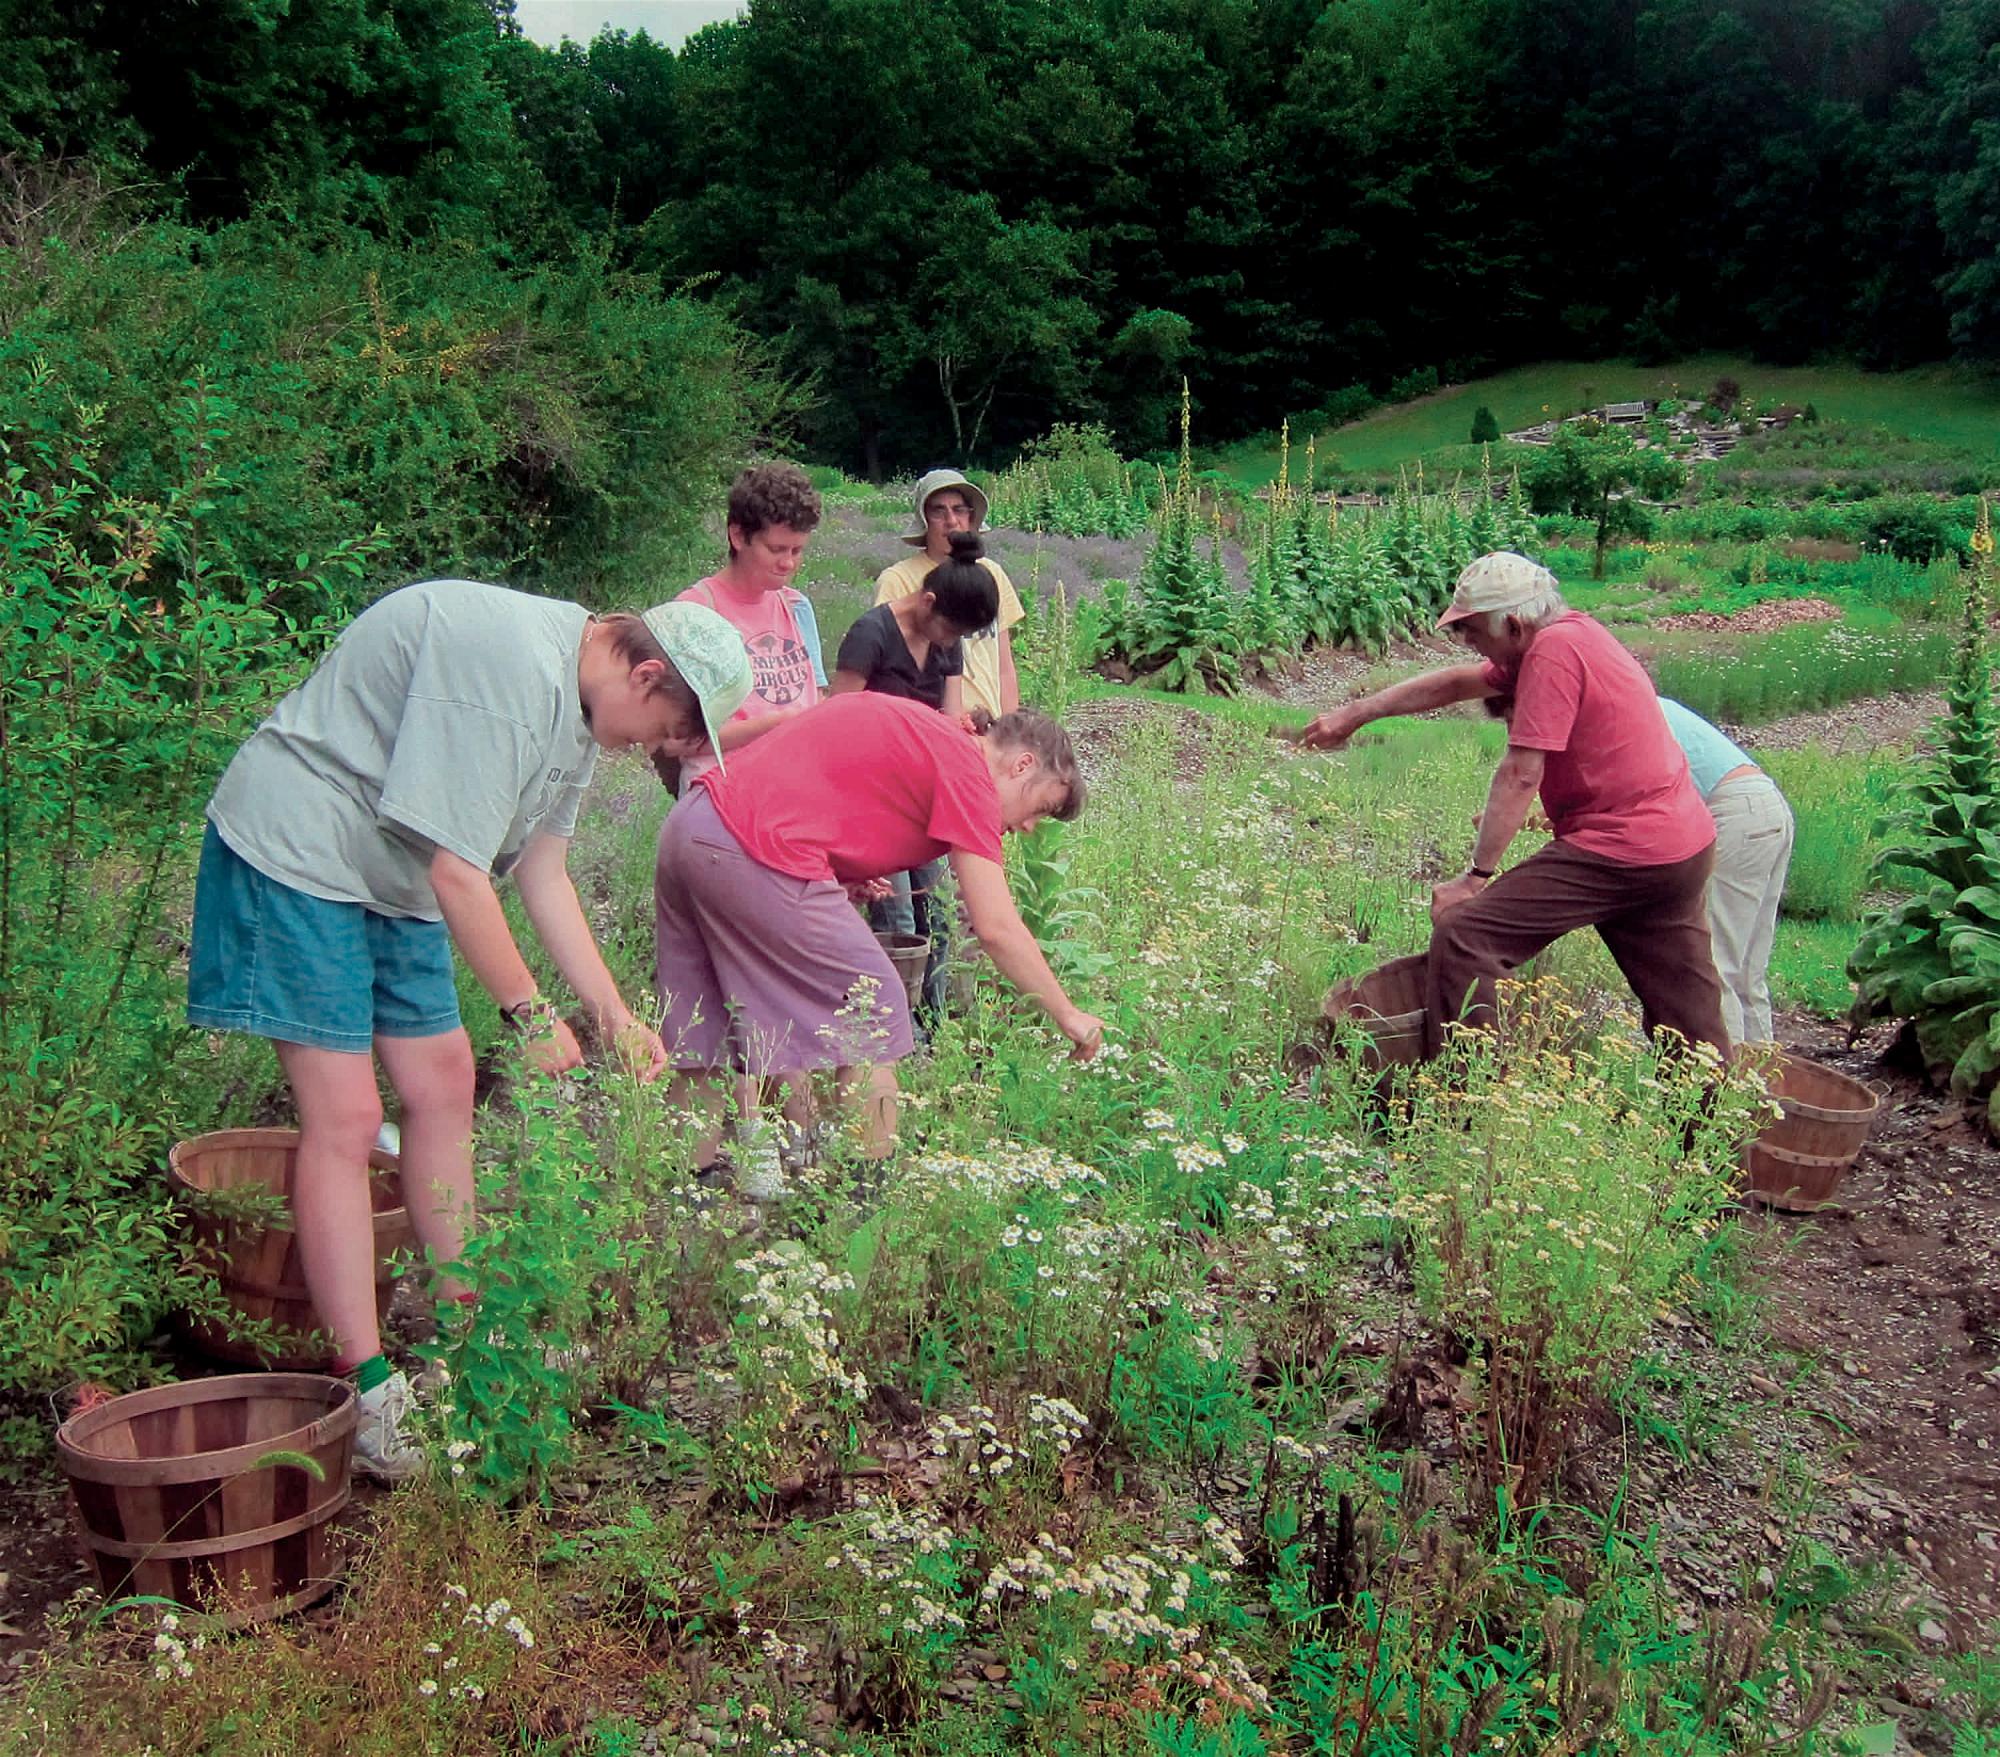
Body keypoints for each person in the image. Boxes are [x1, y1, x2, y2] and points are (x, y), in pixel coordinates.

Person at [189, 583, 752, 1481]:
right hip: (300, 849)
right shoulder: (507, 665)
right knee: (344, 1113)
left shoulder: (580, 705)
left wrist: (612, 1013)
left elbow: (545, 873)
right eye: (658, 729)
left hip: (392, 869)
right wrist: (528, 1011)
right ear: (644, 672)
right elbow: (460, 870)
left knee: (445, 1082)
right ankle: (365, 1394)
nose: (646, 748)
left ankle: (472, 1335)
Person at [654, 693, 1102, 1193]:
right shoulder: (969, 770)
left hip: (694, 827)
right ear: (1023, 764)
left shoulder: (932, 732)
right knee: (874, 1003)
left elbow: (828, 775)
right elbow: (996, 926)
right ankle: (863, 1199)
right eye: (1038, 808)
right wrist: (1069, 1015)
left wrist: (838, 870)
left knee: (703, 1024)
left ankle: (686, 1199)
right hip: (751, 847)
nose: (1026, 827)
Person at [1298, 552, 1729, 1061]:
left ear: (1515, 624)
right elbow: (1457, 682)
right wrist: (1355, 713)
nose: (1467, 641)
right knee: (1688, 1020)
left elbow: (1522, 771)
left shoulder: (1554, 650)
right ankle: (1715, 1135)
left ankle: (1465, 1105)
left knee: (1465, 936)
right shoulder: (1575, 634)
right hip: (1679, 850)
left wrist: (1475, 879)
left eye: (1474, 629)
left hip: (1621, 848)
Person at [834, 531, 1002, 1023]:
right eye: (949, 631)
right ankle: (896, 1032)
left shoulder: (944, 644)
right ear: (927, 601)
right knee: (898, 920)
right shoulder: (872, 634)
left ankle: (935, 1026)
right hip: (871, 802)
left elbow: (947, 720)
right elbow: (836, 724)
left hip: (921, 801)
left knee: (940, 915)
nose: (950, 643)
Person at [676, 462, 828, 785]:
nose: (788, 563)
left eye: (797, 550)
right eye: (775, 549)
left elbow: (818, 702)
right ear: (738, 535)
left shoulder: (798, 607)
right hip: (723, 791)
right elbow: (678, 741)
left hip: (797, 787)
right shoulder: (695, 612)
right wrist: (776, 725)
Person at [1657, 698, 1794, 1046]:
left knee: (1715, 966)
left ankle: (1722, 1085)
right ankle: (1761, 1082)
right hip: (1766, 805)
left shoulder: (1632, 711)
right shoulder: (1655, 704)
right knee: (1749, 971)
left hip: (1733, 812)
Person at [875, 469, 1025, 724]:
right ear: (924, 519)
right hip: (930, 727)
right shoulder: (897, 580)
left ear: (971, 517)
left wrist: (1008, 728)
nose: (951, 520)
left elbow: (1004, 666)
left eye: (959, 510)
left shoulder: (991, 574)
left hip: (989, 725)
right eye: (938, 511)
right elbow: (887, 675)